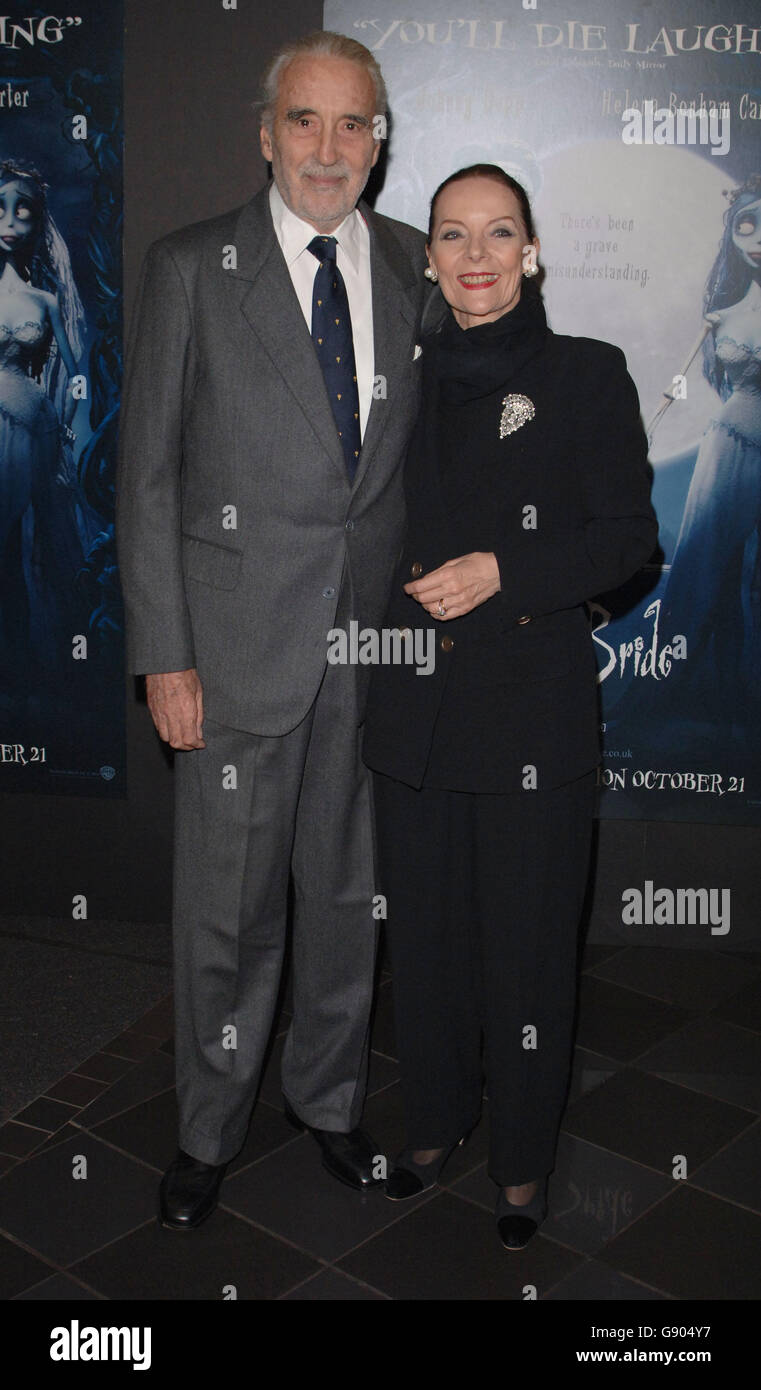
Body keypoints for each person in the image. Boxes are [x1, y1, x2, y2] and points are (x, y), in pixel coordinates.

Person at [115, 31, 429, 1229]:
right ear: (264, 132)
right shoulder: (194, 267)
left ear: (379, 143)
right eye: (306, 119)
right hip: (235, 656)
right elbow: (145, 479)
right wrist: (162, 654)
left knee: (346, 899)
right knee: (225, 917)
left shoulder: (409, 270)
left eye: (354, 124)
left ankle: (329, 1103)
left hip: (370, 651)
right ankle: (206, 1129)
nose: (328, 148)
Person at [361, 165, 658, 1250]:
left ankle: (523, 1160)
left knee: (528, 949)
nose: (475, 255)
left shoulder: (586, 374)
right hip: (412, 717)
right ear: (429, 255)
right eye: (452, 235)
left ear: (531, 251)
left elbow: (627, 542)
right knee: (426, 942)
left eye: (498, 234)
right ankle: (432, 1124)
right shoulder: (392, 381)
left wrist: (503, 568)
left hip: (530, 715)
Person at [659, 174, 761, 726]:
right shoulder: (723, 315)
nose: (758, 236)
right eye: (748, 224)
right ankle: (701, 691)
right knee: (708, 569)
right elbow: (676, 384)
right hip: (729, 451)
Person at [0, 158, 85, 687]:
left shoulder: (46, 301)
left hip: (33, 429)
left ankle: (29, 666)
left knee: (26, 542)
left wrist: (71, 428)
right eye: (1, 210)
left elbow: (78, 376)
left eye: (22, 211)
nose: (10, 222)